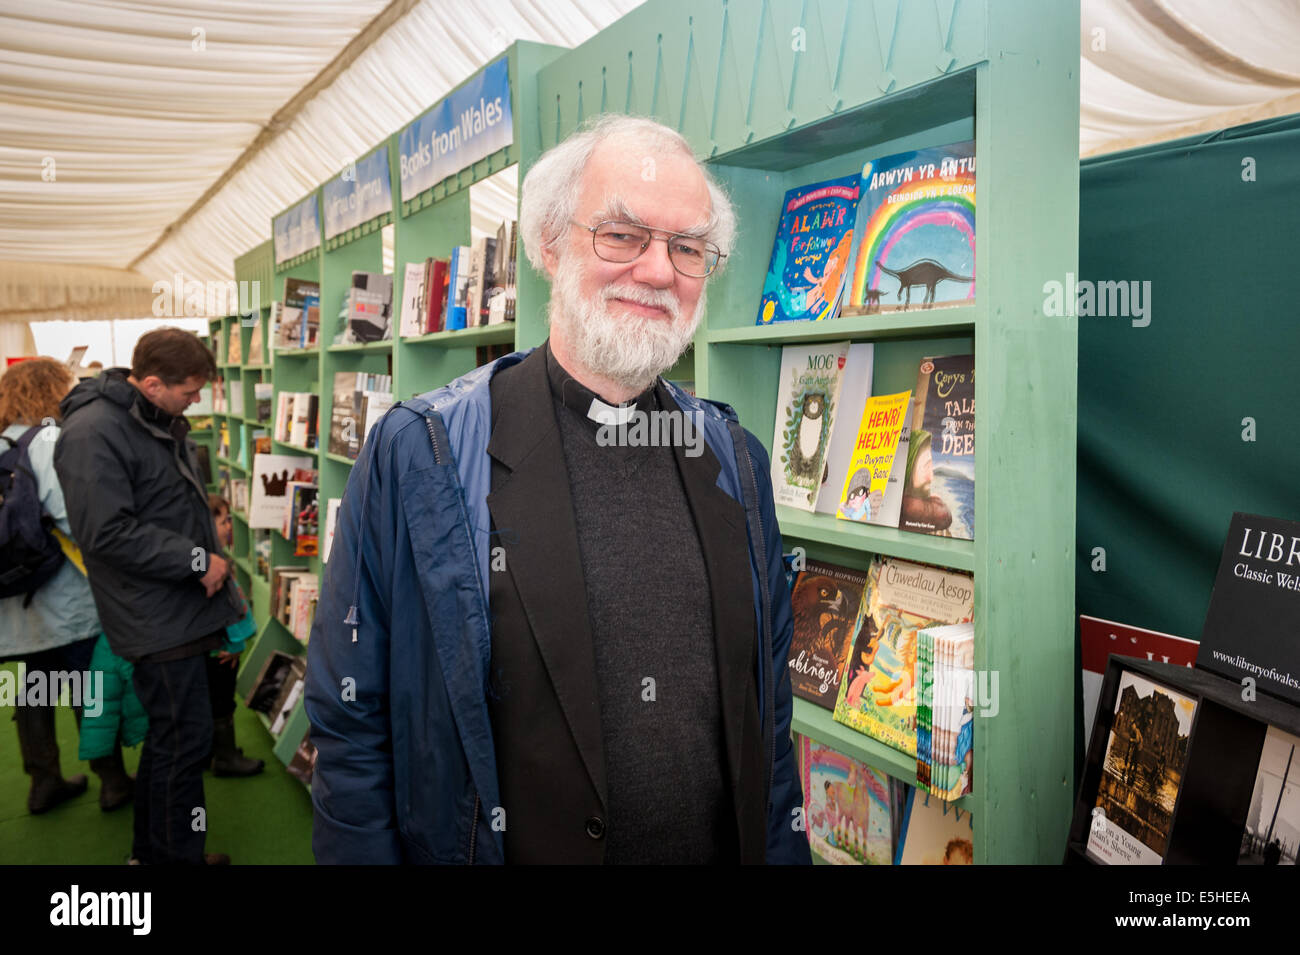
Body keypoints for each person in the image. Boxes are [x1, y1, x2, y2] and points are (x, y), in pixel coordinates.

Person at [306, 114, 810, 865]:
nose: (658, 270)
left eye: (687, 247)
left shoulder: (734, 457)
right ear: (547, 243)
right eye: (621, 235)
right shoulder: (425, 454)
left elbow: (767, 719)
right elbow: (354, 726)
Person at [54, 328, 240, 865]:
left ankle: (159, 853)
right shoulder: (94, 432)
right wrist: (197, 560)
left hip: (176, 608)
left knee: (175, 741)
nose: (197, 400)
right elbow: (106, 532)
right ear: (152, 383)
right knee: (181, 743)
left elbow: (174, 504)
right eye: (189, 390)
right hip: (153, 613)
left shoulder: (150, 417)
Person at [0, 357, 132, 814]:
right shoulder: (50, 440)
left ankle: (43, 781)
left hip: (14, 602)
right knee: (88, 687)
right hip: (66, 595)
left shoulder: (3, 442)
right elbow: (73, 518)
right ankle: (112, 779)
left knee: (32, 691)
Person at [206, 494, 263, 776]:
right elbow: (224, 612)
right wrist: (236, 642)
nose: (230, 526)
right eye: (223, 521)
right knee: (221, 702)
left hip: (218, 648)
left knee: (216, 701)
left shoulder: (215, 557)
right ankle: (226, 757)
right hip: (221, 650)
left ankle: (217, 752)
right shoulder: (212, 565)